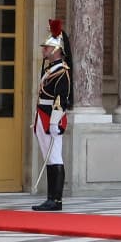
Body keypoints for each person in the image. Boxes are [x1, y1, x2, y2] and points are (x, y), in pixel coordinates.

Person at [33, 20, 73, 212]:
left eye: (47, 47)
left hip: (51, 118)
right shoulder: (51, 70)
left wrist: (55, 122)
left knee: (55, 157)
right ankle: (51, 198)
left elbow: (61, 99)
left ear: (56, 49)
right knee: (50, 158)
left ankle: (56, 199)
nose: (44, 50)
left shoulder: (62, 72)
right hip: (43, 115)